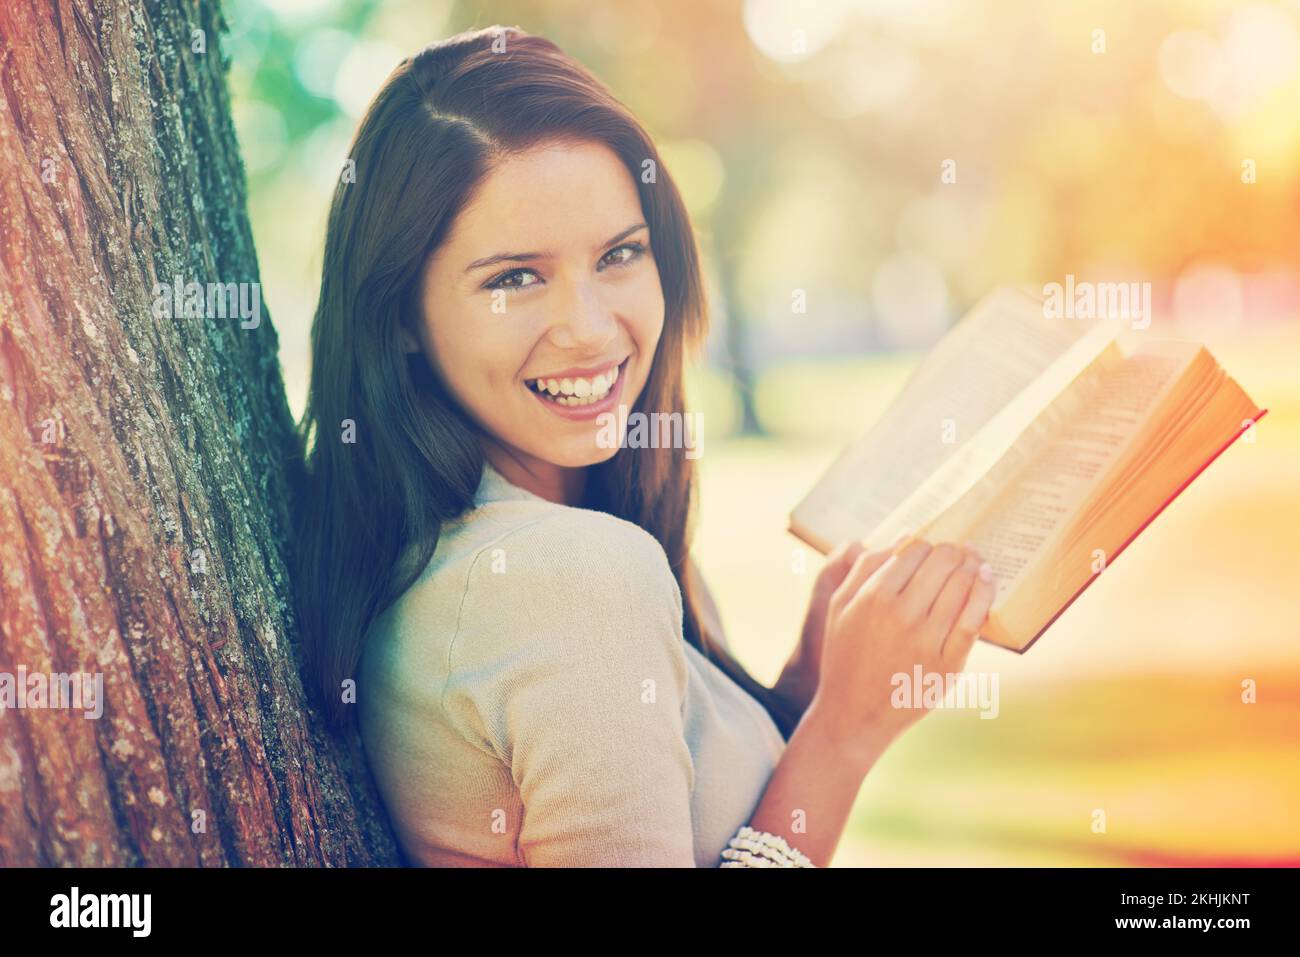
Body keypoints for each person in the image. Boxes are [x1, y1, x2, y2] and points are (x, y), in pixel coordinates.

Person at [291, 24, 995, 867]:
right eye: (516, 277)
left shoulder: (493, 539)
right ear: (400, 312)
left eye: (620, 254)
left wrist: (807, 684)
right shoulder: (571, 577)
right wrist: (844, 733)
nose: (591, 331)